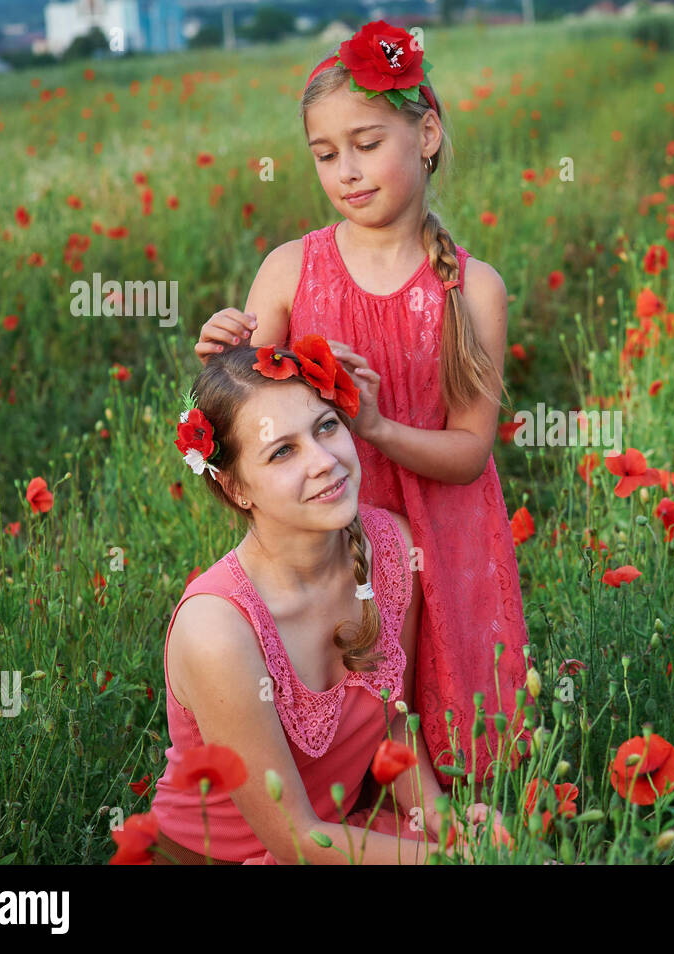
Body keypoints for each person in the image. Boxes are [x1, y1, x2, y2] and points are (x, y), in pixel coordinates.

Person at [195, 21, 530, 789]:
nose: (346, 170)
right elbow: (246, 406)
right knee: (353, 724)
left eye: (367, 143)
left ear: (428, 134)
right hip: (328, 531)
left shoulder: (471, 290)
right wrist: (224, 352)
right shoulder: (288, 271)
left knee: (448, 723)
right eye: (324, 154)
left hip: (443, 540)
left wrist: (376, 427)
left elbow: (471, 451)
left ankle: (463, 830)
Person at [151, 336, 497, 864]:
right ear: (235, 487)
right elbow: (292, 839)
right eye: (282, 451)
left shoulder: (393, 549)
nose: (324, 461)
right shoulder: (218, 629)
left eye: (326, 426)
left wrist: (449, 831)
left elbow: (393, 724)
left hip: (336, 837)